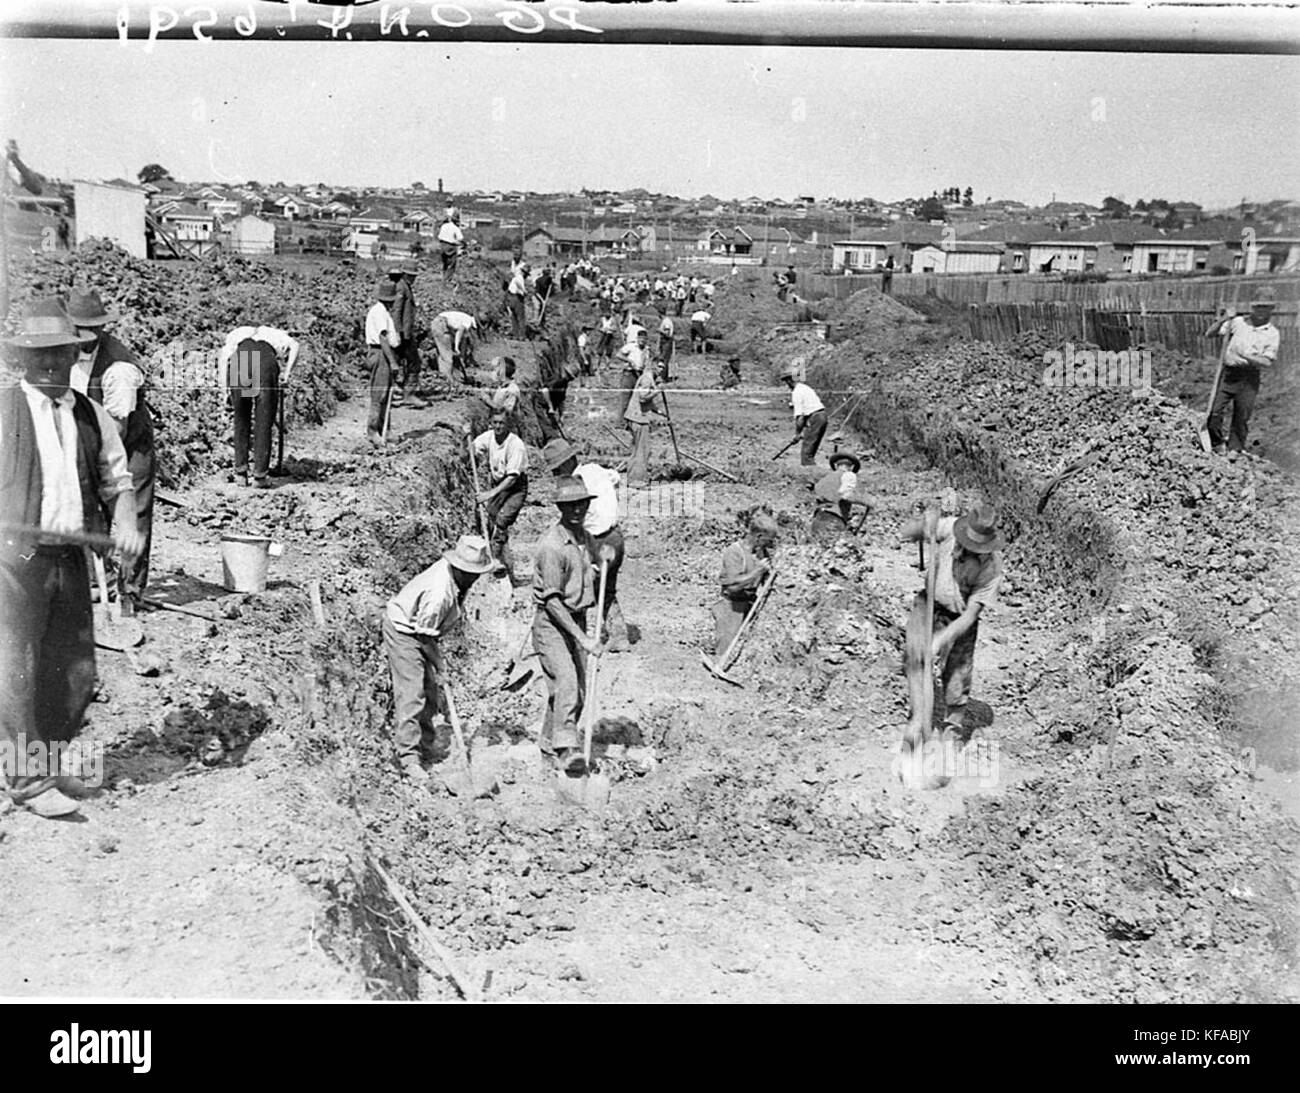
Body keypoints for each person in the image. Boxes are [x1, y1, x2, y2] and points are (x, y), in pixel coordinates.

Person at [0, 299, 143, 819]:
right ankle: (28, 781)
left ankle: (50, 762)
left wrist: (125, 522)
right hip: (12, 564)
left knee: (74, 673)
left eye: (60, 355)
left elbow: (116, 479)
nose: (51, 365)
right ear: (23, 359)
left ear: (73, 355)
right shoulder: (4, 410)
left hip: (69, 559)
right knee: (14, 670)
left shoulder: (90, 413)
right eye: (40, 356)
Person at [67, 289, 156, 612]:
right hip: (90, 436)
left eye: (87, 331)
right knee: (89, 509)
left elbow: (115, 432)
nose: (80, 337)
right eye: (75, 330)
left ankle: (130, 591)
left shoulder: (119, 368)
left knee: (135, 516)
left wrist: (94, 464)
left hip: (130, 445)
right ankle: (97, 582)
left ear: (102, 328)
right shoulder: (68, 352)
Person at [383, 534, 493, 782]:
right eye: (471, 573)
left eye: (477, 573)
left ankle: (425, 745)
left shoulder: (456, 580)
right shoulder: (439, 592)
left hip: (420, 630)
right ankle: (408, 758)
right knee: (412, 693)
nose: (475, 578)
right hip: (404, 631)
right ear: (457, 567)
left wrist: (437, 671)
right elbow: (424, 637)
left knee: (431, 691)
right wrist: (441, 667)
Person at [900, 503, 1004, 743]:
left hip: (960, 620)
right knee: (916, 660)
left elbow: (970, 615)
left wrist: (940, 639)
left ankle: (951, 734)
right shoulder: (949, 528)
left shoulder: (991, 568)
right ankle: (918, 723)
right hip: (928, 605)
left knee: (957, 678)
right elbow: (910, 531)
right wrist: (923, 524)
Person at [531, 476, 609, 768]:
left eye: (582, 504)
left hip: (576, 616)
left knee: (575, 689)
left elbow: (592, 561)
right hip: (552, 622)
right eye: (570, 505)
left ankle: (549, 748)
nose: (577, 510)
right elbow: (551, 601)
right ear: (560, 508)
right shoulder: (552, 547)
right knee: (565, 680)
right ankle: (567, 750)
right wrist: (582, 638)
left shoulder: (584, 538)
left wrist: (602, 561)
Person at [543, 439, 628, 650]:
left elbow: (574, 520)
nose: (556, 475)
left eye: (557, 469)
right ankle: (618, 635)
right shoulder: (595, 469)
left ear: (567, 461)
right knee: (606, 589)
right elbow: (615, 477)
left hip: (598, 541)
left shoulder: (576, 484)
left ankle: (577, 635)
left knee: (578, 586)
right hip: (616, 538)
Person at [217, 320, 301, 485]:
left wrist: (224, 389)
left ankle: (241, 473)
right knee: (263, 421)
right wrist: (287, 373)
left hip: (242, 360)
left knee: (241, 419)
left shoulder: (237, 333)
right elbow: (295, 346)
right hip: (264, 362)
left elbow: (223, 358)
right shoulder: (275, 334)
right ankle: (259, 476)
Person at [1205, 290, 1281, 454]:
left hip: (1250, 378)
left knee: (1241, 416)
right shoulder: (1238, 322)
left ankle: (1235, 449)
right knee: (1214, 412)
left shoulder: (1272, 333)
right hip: (1229, 374)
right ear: (1252, 308)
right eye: (1258, 307)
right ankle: (1217, 443)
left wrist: (1246, 355)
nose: (1261, 311)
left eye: (1265, 308)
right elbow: (1209, 334)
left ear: (1271, 310)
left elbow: (1267, 362)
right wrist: (1225, 318)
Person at [469, 410, 528, 571]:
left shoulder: (516, 445)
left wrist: (489, 494)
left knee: (502, 520)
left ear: (508, 425)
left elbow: (512, 477)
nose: (498, 426)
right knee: (489, 519)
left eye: (501, 423)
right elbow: (471, 449)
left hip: (516, 487)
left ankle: (495, 561)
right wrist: (464, 439)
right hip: (498, 483)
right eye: (495, 422)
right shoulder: (488, 437)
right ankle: (502, 558)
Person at [713, 511, 778, 658]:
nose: (770, 545)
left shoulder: (761, 553)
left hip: (750, 604)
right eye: (768, 541)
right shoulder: (734, 552)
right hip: (732, 607)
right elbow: (733, 584)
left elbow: (765, 580)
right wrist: (757, 572)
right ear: (759, 537)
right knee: (725, 651)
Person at [363, 278, 401, 447]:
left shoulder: (384, 311)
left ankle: (385, 429)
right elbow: (382, 337)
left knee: (386, 394)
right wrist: (392, 362)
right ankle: (372, 432)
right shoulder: (378, 311)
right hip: (380, 353)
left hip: (385, 352)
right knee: (379, 395)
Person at [809, 451, 869, 543]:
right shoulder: (849, 475)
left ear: (836, 466)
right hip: (834, 521)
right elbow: (846, 495)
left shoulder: (824, 480)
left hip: (817, 521)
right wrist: (866, 502)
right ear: (852, 467)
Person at [623, 350, 661, 487]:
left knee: (637, 449)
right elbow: (643, 398)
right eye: (660, 366)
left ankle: (632, 478)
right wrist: (656, 392)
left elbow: (647, 402)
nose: (662, 370)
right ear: (653, 365)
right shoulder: (647, 379)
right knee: (643, 450)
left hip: (635, 417)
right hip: (639, 419)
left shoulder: (648, 378)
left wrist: (660, 412)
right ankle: (637, 481)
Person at [779, 364, 827, 466]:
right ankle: (812, 469)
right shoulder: (805, 388)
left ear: (789, 380)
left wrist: (797, 434)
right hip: (822, 416)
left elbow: (800, 417)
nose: (787, 385)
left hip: (815, 418)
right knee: (811, 449)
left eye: (786, 382)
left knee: (806, 453)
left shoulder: (796, 392)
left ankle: (810, 473)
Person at [616, 327, 652, 422]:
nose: (642, 341)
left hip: (639, 375)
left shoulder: (646, 350)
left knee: (635, 400)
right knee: (625, 399)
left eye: (644, 339)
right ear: (637, 338)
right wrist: (629, 360)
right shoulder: (631, 347)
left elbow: (647, 363)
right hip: (629, 374)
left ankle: (631, 421)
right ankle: (620, 422)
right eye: (641, 338)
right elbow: (619, 355)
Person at [431, 309, 478, 382]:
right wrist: (456, 347)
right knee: (447, 356)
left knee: (443, 355)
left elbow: (457, 334)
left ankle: (443, 379)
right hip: (441, 324)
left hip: (436, 323)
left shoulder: (463, 317)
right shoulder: (468, 321)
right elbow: (460, 330)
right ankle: (448, 382)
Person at [437, 211, 464, 283]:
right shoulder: (455, 228)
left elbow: (440, 236)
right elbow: (460, 238)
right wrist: (460, 243)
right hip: (450, 247)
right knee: (452, 264)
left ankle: (443, 277)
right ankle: (447, 280)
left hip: (442, 246)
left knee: (444, 263)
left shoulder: (444, 226)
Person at [506, 261, 529, 339]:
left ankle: (515, 335)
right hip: (517, 298)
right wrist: (524, 291)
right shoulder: (519, 277)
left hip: (510, 297)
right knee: (521, 317)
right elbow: (518, 284)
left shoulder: (516, 277)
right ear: (524, 273)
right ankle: (522, 336)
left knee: (514, 318)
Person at [657, 311, 676, 380]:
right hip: (665, 341)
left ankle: (663, 377)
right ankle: (664, 376)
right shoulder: (666, 321)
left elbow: (667, 333)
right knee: (664, 359)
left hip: (666, 341)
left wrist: (660, 331)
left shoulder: (666, 322)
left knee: (663, 359)